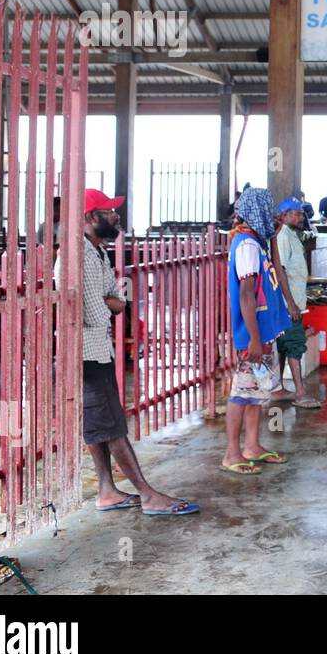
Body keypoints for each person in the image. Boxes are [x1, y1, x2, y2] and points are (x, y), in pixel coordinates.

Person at [63, 190, 198, 516]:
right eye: (108, 211)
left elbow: (115, 300)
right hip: (86, 355)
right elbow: (96, 312)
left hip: (99, 350)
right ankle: (148, 494)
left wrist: (112, 302)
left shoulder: (97, 253)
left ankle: (107, 491)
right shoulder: (77, 256)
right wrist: (112, 302)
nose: (116, 216)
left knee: (99, 425)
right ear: (89, 218)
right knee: (111, 427)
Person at [224, 187, 293, 475]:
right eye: (269, 210)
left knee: (256, 393)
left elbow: (275, 271)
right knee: (241, 394)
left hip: (263, 334)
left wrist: (273, 239)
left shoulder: (257, 242)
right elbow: (246, 295)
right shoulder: (247, 246)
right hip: (252, 336)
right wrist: (253, 338)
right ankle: (231, 453)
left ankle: (252, 445)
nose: (273, 215)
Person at [272, 197, 323, 409]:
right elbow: (280, 269)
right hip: (288, 303)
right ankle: (300, 393)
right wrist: (291, 303)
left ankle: (278, 388)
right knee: (294, 344)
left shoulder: (291, 235)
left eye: (301, 213)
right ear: (284, 216)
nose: (300, 217)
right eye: (295, 213)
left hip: (293, 300)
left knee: (284, 345)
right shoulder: (283, 236)